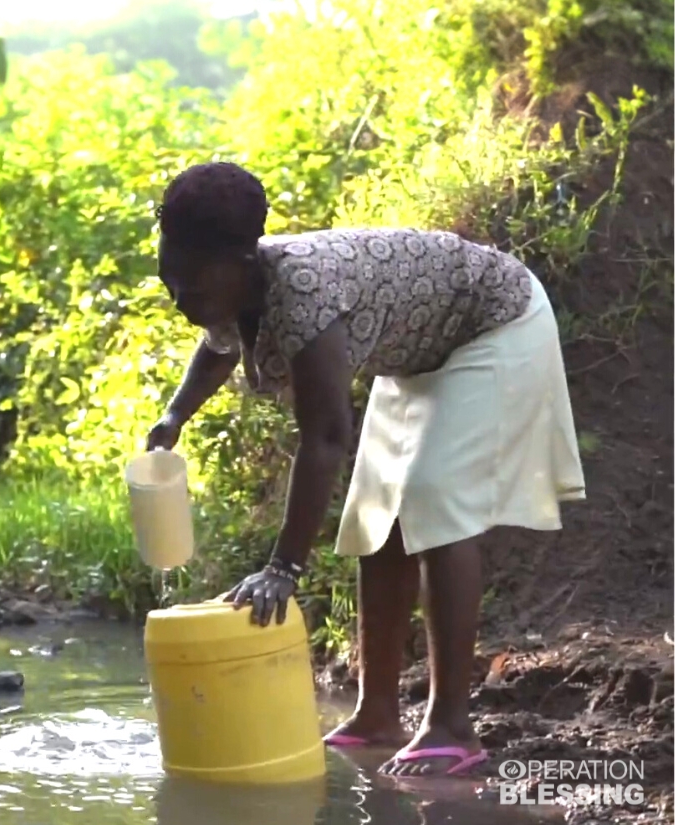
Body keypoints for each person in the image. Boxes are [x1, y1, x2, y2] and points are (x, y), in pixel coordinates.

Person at [144, 161, 586, 778]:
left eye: (191, 284)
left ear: (238, 264)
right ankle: (377, 713)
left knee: (434, 499)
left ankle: (452, 727)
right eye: (169, 278)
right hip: (418, 352)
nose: (179, 296)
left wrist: (283, 568)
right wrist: (175, 416)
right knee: (377, 517)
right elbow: (218, 345)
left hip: (493, 323)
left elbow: (326, 437)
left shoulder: (300, 289)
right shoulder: (233, 282)